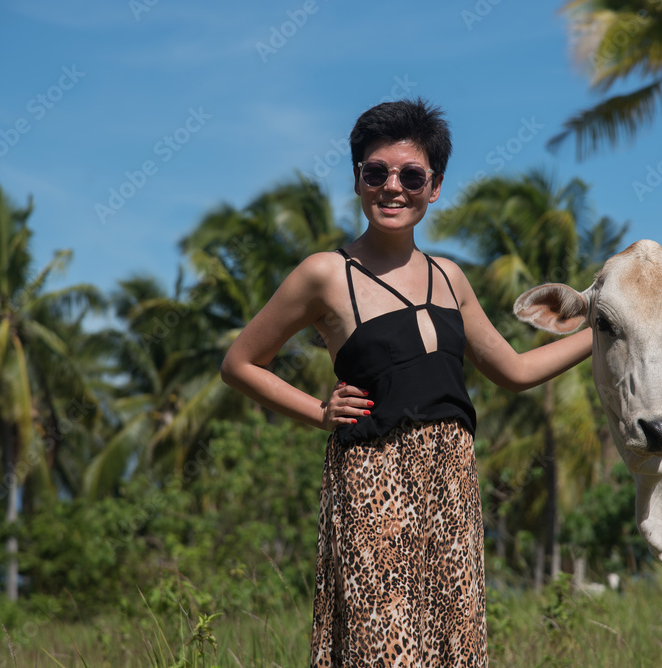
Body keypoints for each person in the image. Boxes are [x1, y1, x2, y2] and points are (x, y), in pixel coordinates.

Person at [220, 98, 593, 667]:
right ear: (357, 180)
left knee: (455, 647)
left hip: (453, 483)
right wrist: (319, 410)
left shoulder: (451, 277)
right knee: (383, 650)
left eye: (411, 175)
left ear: (435, 186)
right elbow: (241, 363)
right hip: (373, 483)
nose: (392, 187)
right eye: (376, 173)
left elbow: (515, 372)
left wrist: (607, 333)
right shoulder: (325, 272)